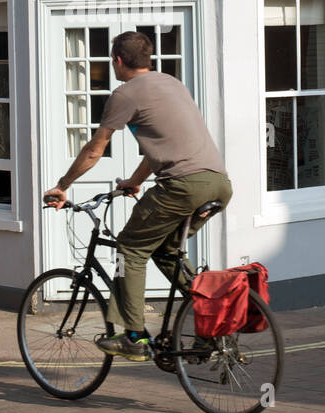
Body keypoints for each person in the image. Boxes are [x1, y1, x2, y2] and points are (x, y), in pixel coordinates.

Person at [43, 31, 232, 360]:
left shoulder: (124, 94)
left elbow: (94, 149)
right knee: (167, 253)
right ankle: (212, 329)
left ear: (116, 60)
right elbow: (164, 145)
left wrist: (63, 185)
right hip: (217, 183)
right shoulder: (172, 83)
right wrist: (134, 180)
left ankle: (134, 338)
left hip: (182, 186)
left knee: (130, 249)